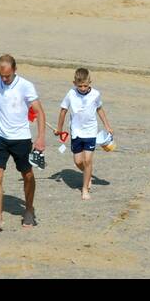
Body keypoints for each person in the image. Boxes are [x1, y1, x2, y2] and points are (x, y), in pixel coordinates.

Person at [0, 54, 46, 233]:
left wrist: (40, 138)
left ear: (15, 70)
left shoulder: (26, 86)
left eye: (7, 76)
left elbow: (39, 112)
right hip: (0, 137)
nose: (4, 79)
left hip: (21, 138)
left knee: (28, 176)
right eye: (1, 75)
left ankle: (29, 209)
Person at [55, 68, 115, 201]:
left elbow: (100, 109)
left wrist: (107, 125)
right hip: (76, 131)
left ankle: (85, 188)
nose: (82, 88)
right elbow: (63, 111)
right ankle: (87, 173)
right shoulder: (71, 94)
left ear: (90, 83)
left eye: (85, 85)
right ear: (74, 83)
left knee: (88, 160)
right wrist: (59, 128)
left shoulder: (95, 94)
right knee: (78, 161)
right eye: (80, 86)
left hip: (90, 131)